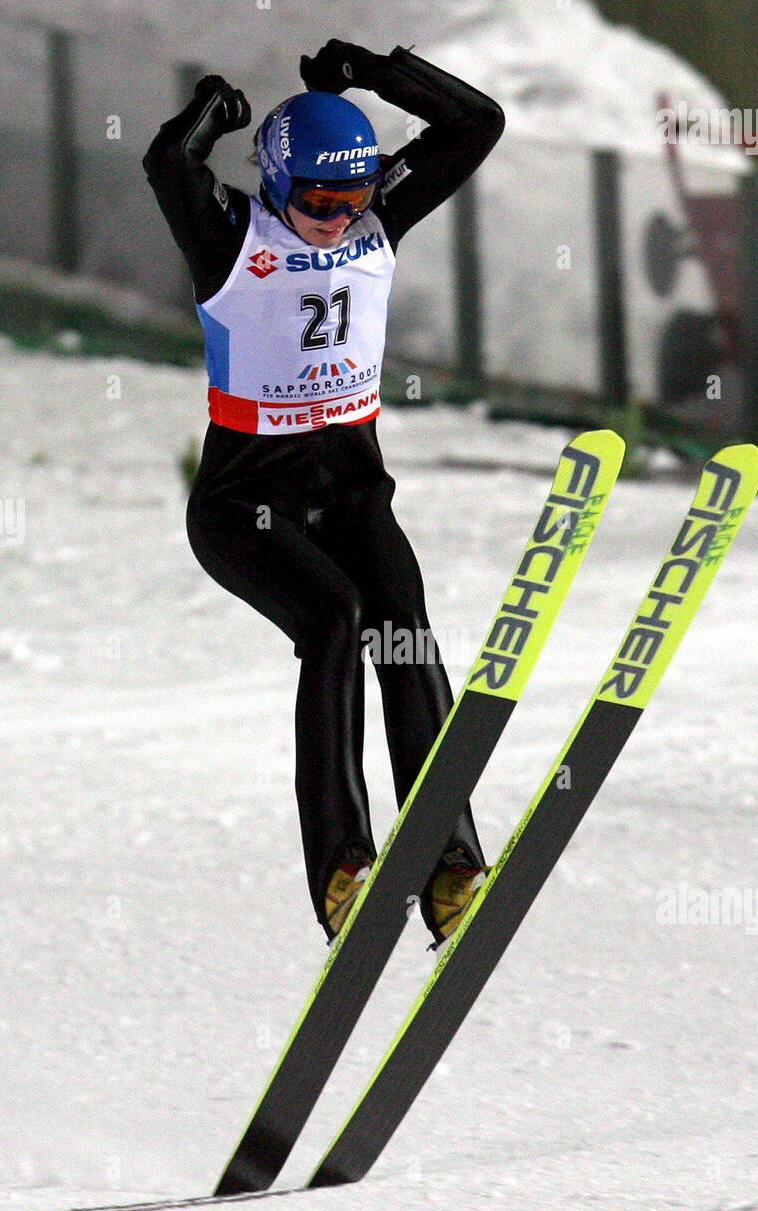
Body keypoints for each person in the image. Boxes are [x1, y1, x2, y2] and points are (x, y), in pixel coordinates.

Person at [143, 39, 505, 942]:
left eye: (355, 198)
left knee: (403, 629)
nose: (339, 221)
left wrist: (372, 71)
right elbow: (166, 162)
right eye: (318, 202)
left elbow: (476, 124)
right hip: (242, 507)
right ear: (273, 183)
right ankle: (343, 864)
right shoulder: (233, 235)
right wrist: (211, 113)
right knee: (336, 620)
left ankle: (448, 860)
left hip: (350, 491)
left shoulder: (377, 217)